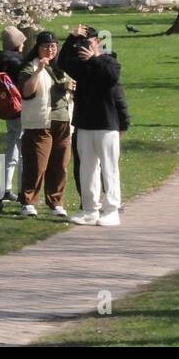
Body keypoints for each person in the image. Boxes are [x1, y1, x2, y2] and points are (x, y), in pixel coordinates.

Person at [58, 25, 128, 227]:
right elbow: (62, 62)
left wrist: (95, 57)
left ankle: (112, 209)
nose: (85, 48)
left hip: (106, 124)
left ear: (98, 43)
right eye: (83, 45)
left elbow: (111, 77)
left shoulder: (109, 62)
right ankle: (89, 209)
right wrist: (71, 39)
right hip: (85, 123)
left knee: (109, 167)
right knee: (87, 168)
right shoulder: (80, 66)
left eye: (89, 43)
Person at [17, 31, 74, 218]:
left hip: (64, 121)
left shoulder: (62, 67)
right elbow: (27, 91)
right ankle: (28, 202)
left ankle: (56, 202)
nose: (50, 50)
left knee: (60, 164)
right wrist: (39, 70)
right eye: (46, 46)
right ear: (38, 48)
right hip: (40, 122)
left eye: (53, 46)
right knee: (37, 164)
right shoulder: (29, 67)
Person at [0, 25, 27, 203]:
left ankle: (5, 189)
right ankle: (23, 191)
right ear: (17, 44)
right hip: (21, 109)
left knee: (11, 149)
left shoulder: (0, 62)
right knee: (23, 153)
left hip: (8, 110)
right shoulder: (18, 63)